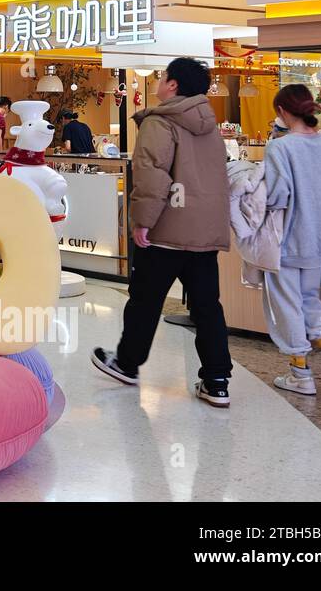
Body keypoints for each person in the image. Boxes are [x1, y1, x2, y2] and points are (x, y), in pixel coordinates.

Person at [91, 57, 233, 407]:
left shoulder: (161, 122)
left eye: (163, 76)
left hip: (168, 229)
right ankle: (216, 380)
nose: (158, 80)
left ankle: (127, 362)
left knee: (145, 300)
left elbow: (152, 175)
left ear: (173, 86)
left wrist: (143, 221)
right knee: (206, 306)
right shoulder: (211, 127)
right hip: (204, 231)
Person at [262, 84, 321, 394]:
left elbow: (277, 195)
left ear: (284, 112)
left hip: (288, 239)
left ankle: (300, 374)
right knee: (311, 298)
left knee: (287, 304)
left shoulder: (280, 148)